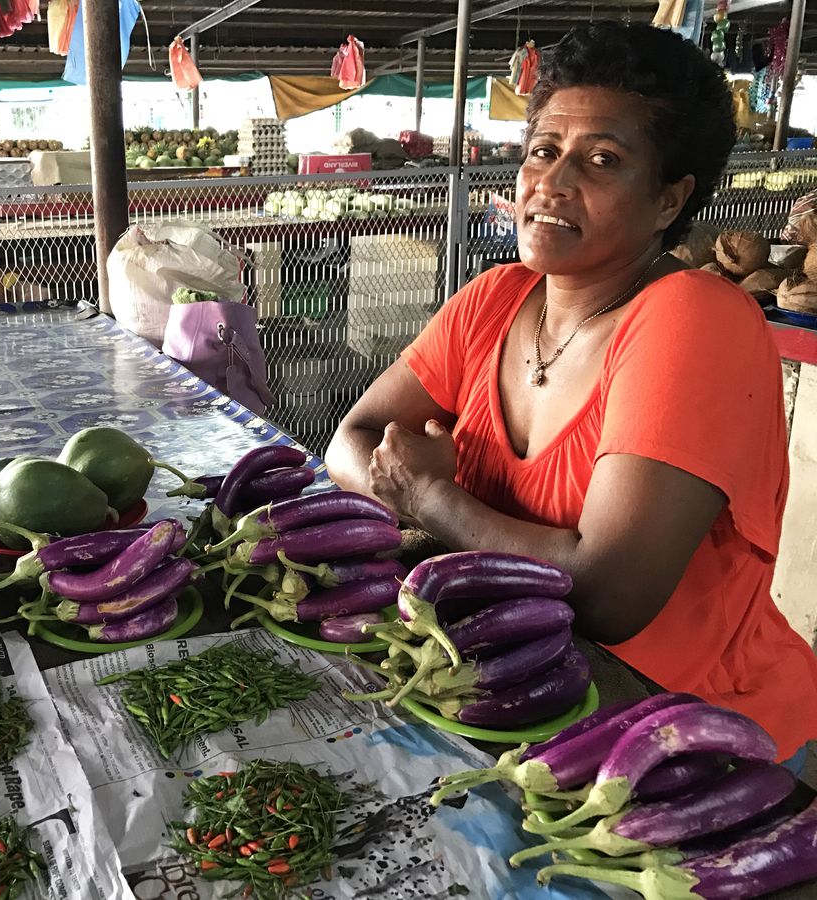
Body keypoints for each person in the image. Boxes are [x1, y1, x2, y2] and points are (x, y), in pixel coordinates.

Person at [326, 20, 817, 773]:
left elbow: (606, 595)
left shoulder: (694, 316)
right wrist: (427, 496)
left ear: (668, 199)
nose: (551, 182)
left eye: (602, 160)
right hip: (514, 695)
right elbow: (351, 439)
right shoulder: (495, 297)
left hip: (686, 742)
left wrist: (430, 501)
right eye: (542, 151)